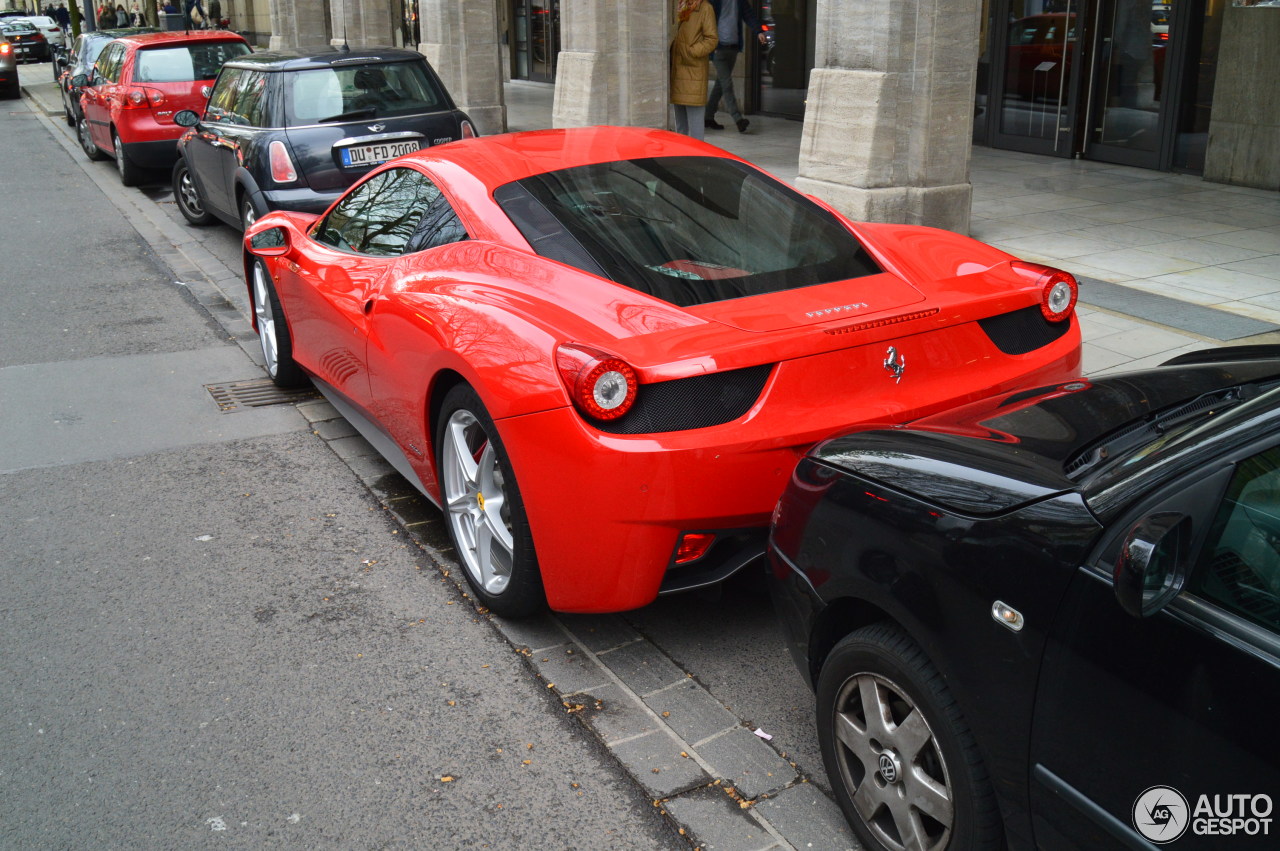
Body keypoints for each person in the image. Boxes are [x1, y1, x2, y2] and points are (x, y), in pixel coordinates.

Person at [704, 0, 766, 133]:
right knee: (727, 84)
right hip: (718, 49)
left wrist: (759, 31)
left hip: (733, 48)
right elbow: (705, 20)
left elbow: (748, 15)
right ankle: (738, 119)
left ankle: (708, 117)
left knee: (721, 84)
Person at [668, 0, 717, 141]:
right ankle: (681, 154)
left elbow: (712, 39)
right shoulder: (681, 6)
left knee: (696, 132)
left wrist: (691, 52)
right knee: (680, 129)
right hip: (678, 71)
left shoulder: (705, 8)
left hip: (693, 73)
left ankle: (697, 155)